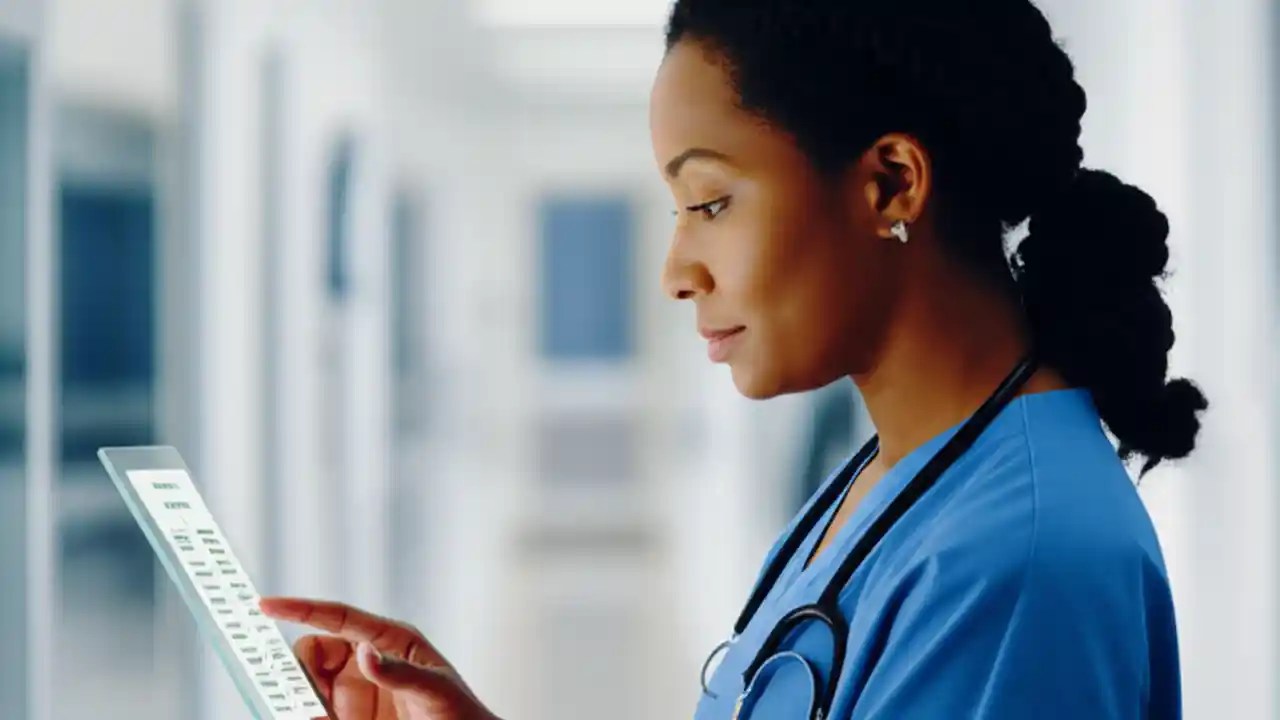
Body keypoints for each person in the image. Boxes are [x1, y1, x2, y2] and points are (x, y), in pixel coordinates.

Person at [260, 0, 1207, 717]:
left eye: (710, 203)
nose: (677, 272)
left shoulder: (1021, 565)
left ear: (890, 184)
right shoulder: (889, 482)